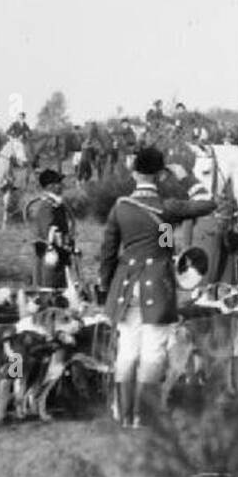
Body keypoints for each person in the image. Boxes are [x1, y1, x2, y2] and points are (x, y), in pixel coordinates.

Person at [97, 146, 216, 428]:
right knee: (152, 353)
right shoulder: (168, 207)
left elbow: (107, 253)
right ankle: (143, 417)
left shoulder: (120, 206)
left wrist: (106, 287)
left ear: (135, 172)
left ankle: (124, 416)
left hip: (126, 287)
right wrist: (186, 178)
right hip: (158, 289)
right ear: (160, 175)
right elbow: (207, 202)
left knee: (127, 351)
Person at [32, 169, 76, 291]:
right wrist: (65, 244)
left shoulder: (55, 204)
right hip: (50, 257)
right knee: (51, 291)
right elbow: (49, 232)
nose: (62, 185)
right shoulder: (48, 206)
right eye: (58, 183)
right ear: (51, 186)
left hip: (58, 254)